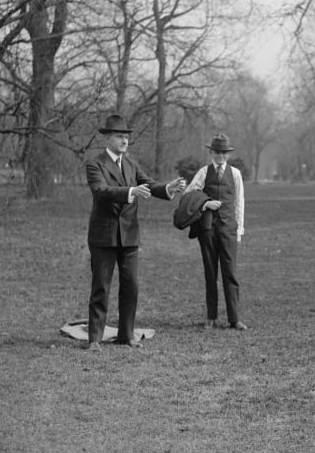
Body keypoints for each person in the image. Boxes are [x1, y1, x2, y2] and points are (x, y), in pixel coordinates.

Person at [84, 114, 185, 351]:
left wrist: (168, 188)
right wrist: (131, 191)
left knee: (132, 285)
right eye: (119, 136)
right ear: (107, 138)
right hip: (103, 236)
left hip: (129, 235)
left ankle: (126, 335)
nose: (125, 141)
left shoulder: (130, 163)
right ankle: (95, 340)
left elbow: (148, 183)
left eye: (127, 137)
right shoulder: (94, 164)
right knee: (101, 286)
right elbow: (101, 191)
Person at [183, 132, 247, 330]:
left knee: (230, 273)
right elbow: (189, 194)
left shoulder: (235, 174)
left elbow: (239, 203)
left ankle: (234, 318)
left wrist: (239, 230)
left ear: (228, 154)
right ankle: (210, 317)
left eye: (224, 153)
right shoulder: (204, 172)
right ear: (211, 152)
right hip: (208, 229)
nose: (220, 156)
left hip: (228, 228)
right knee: (210, 272)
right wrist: (205, 203)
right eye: (217, 152)